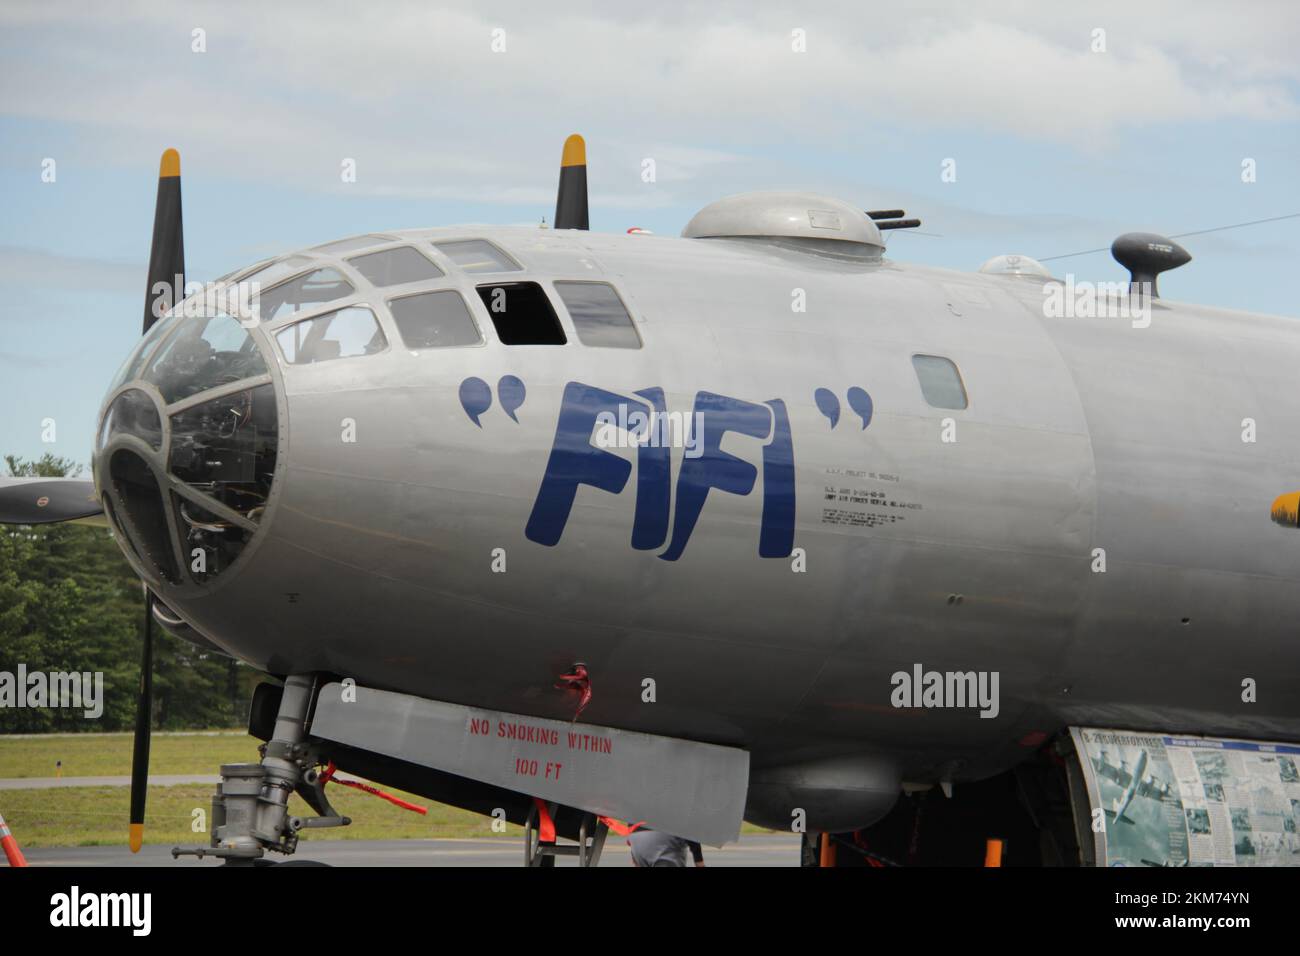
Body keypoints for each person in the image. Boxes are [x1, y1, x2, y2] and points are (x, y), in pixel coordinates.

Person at [626, 826, 705, 867]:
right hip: (663, 836)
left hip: (636, 837)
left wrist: (634, 853)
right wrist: (699, 861)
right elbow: (689, 830)